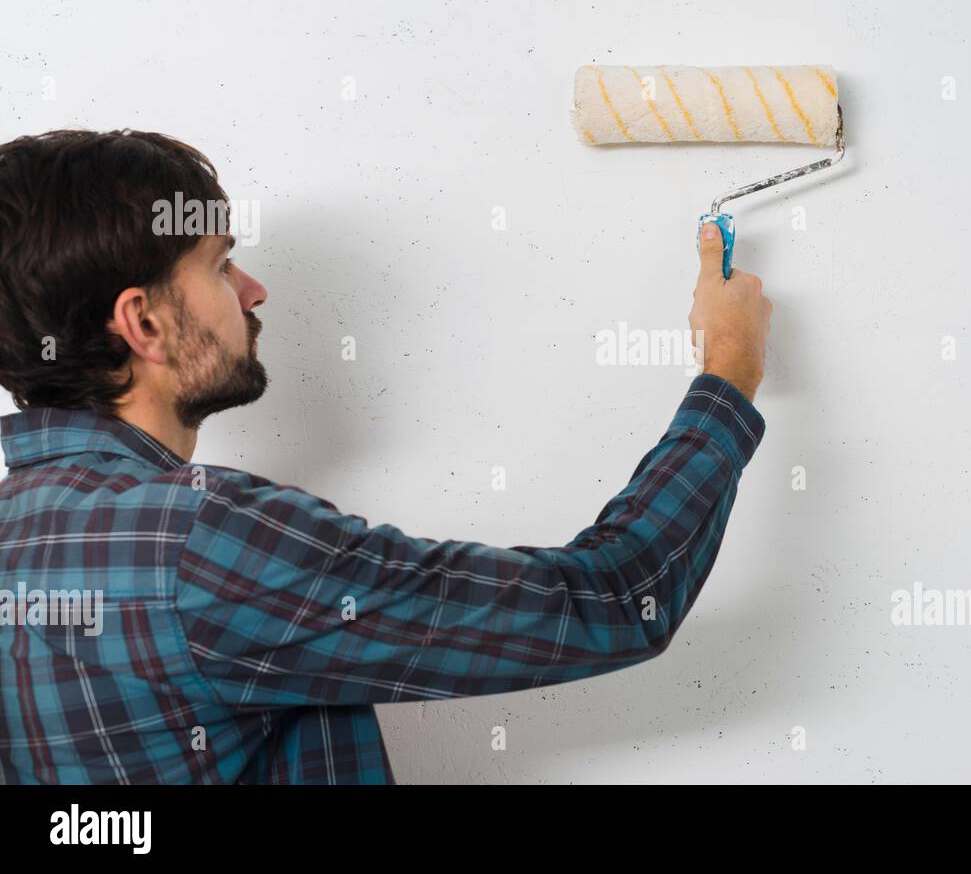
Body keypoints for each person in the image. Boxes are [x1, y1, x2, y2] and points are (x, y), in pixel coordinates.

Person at [0, 129, 772, 783]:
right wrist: (728, 374)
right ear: (145, 322)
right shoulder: (203, 541)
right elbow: (616, 602)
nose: (253, 289)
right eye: (218, 264)